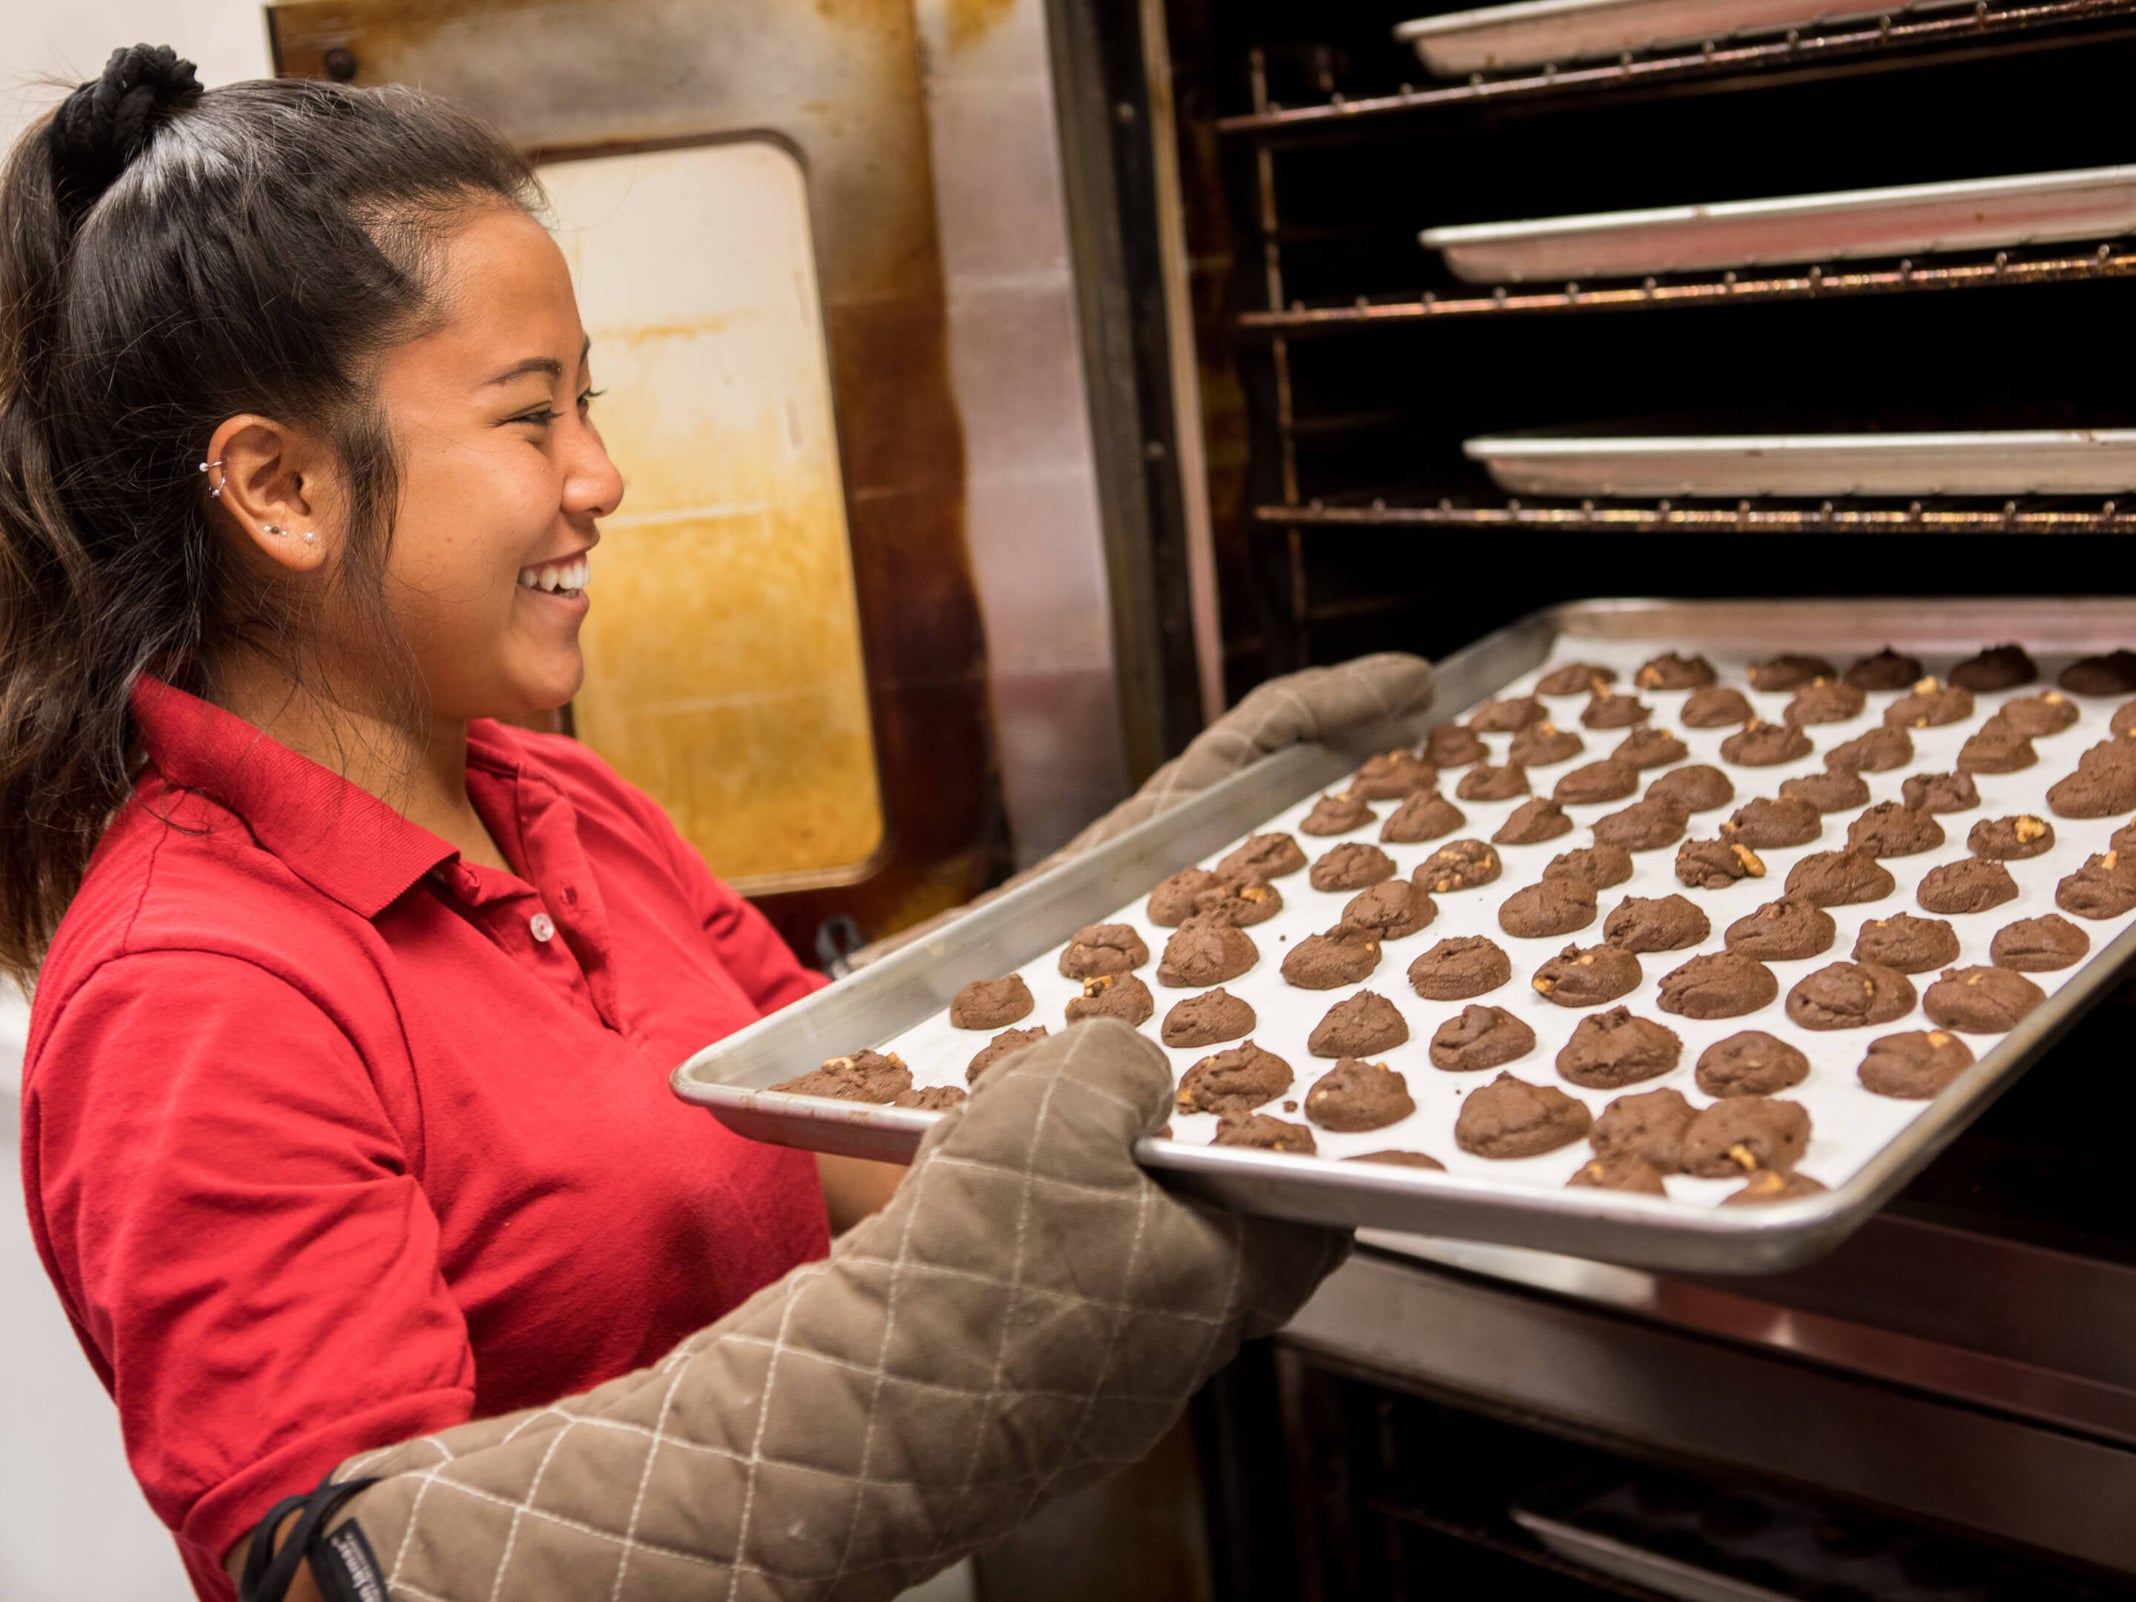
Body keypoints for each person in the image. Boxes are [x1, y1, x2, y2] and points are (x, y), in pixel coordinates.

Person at [3, 46, 1434, 1602]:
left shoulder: (558, 801)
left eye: (586, 404)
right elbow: (363, 1572)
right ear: (280, 489)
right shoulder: (192, 1000)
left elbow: (863, 1122)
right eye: (529, 417)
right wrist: (969, 1342)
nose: (601, 475)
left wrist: (1194, 900)